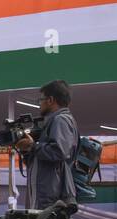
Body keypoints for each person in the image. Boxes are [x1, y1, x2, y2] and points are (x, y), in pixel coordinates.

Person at [16, 79, 77, 211]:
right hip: (47, 193)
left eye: (41, 100)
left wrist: (33, 146)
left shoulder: (60, 120)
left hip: (51, 196)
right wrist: (27, 150)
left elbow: (59, 151)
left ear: (50, 100)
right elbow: (43, 158)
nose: (40, 104)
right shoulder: (54, 121)